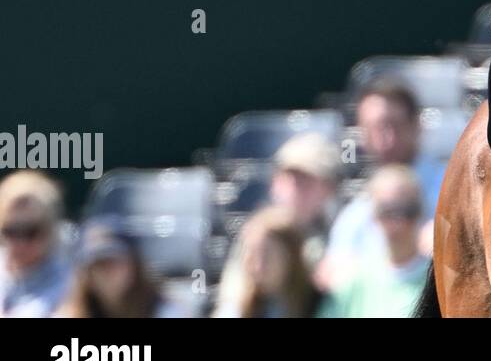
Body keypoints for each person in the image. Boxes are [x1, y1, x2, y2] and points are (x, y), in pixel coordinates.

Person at [321, 79, 443, 287]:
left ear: (416, 126)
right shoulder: (355, 213)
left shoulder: (451, 188)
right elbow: (332, 272)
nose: (386, 139)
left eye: (394, 125)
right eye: (374, 128)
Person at [214, 131, 341, 316]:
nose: (295, 188)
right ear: (275, 184)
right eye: (289, 178)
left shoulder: (340, 236)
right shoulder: (255, 235)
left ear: (329, 189)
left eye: (306, 180)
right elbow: (231, 302)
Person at [318, 165, 430, 318]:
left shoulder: (438, 281)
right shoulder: (352, 282)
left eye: (407, 211)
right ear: (373, 215)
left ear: (421, 214)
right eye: (387, 211)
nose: (397, 223)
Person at [55, 215, 186, 318]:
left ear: (134, 266)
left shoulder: (166, 312)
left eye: (114, 263)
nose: (108, 272)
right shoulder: (71, 313)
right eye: (99, 265)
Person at [220, 206, 323, 318]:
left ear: (291, 256)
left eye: (267, 256)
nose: (258, 266)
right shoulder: (239, 307)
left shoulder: (318, 304)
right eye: (252, 256)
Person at [0, 171, 72, 317]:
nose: (20, 243)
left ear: (51, 229)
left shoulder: (74, 283)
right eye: (10, 231)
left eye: (31, 232)